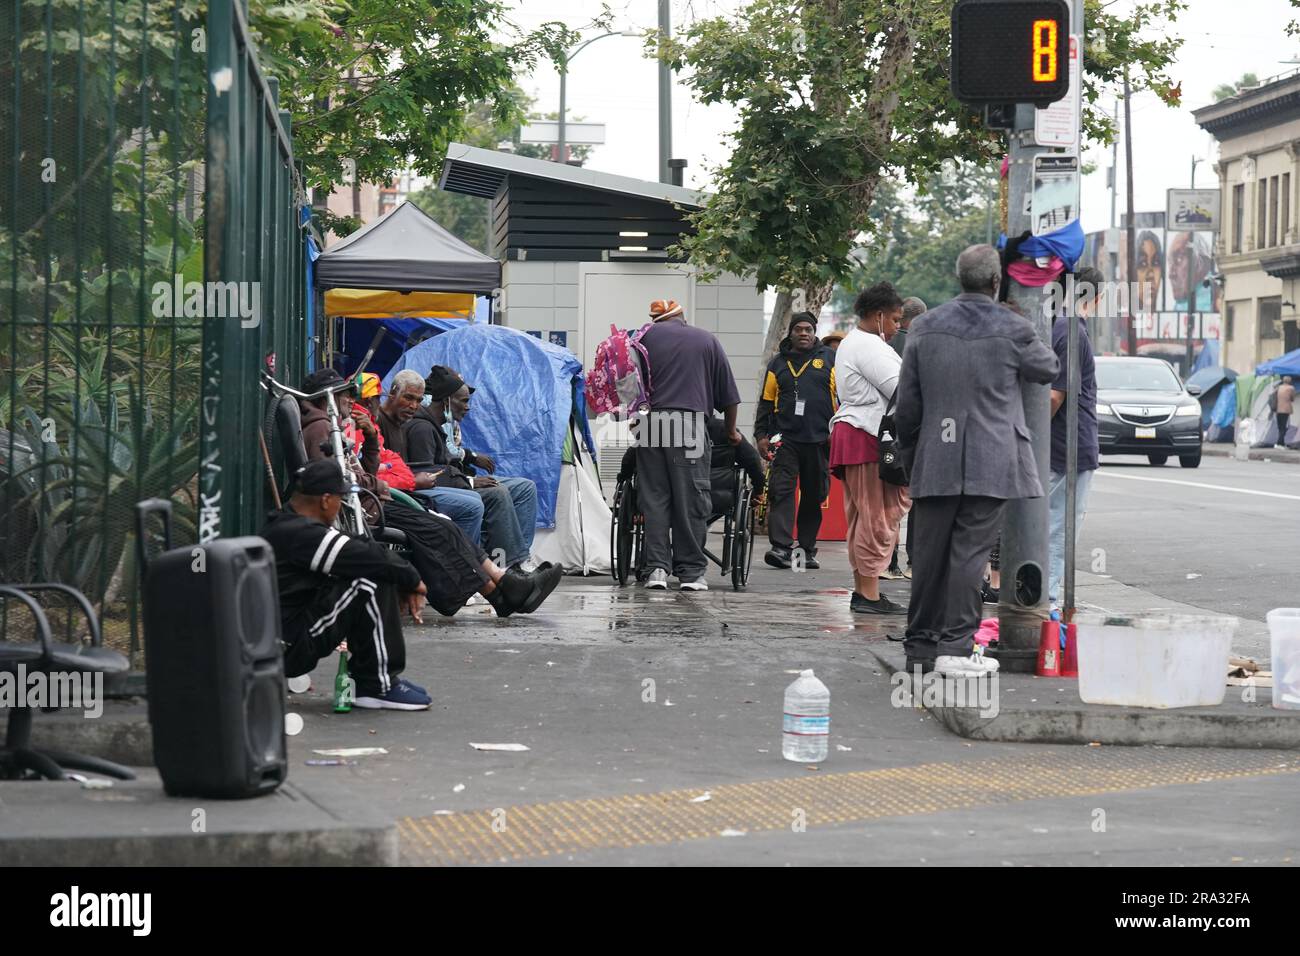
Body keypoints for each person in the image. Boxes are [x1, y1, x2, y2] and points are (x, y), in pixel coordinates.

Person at [894, 245, 1059, 677]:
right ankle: (955, 649)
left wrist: (914, 461)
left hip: (935, 457)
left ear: (959, 278)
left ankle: (920, 649)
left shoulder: (924, 327)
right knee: (969, 555)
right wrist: (1023, 321)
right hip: (992, 460)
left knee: (928, 556)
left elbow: (907, 407)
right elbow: (1047, 367)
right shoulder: (1012, 326)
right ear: (995, 281)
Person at [297, 368, 561, 618]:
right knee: (448, 522)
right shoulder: (323, 428)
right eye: (346, 395)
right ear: (328, 397)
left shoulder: (351, 426)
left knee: (448, 524)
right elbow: (337, 480)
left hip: (380, 498)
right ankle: (502, 591)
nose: (351, 401)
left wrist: (371, 444)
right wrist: (385, 484)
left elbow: (370, 469)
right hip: (369, 506)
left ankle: (506, 583)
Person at [261, 459, 432, 711]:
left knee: (369, 567)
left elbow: (361, 546)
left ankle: (370, 679)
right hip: (289, 647)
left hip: (285, 638)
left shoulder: (290, 524)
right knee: (369, 578)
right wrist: (415, 582)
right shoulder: (300, 533)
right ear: (325, 500)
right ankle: (376, 685)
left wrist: (403, 577)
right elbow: (371, 559)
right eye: (340, 500)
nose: (340, 507)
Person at [636, 298, 742, 591]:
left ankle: (657, 568)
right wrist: (731, 432)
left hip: (650, 424)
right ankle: (691, 572)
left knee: (655, 498)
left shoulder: (641, 339)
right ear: (681, 316)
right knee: (691, 497)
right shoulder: (706, 340)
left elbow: (628, 388)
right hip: (688, 425)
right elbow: (730, 397)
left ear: (656, 319)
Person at [404, 366, 539, 569]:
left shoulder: (439, 423)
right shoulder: (422, 428)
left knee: (525, 488)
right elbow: (428, 473)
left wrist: (467, 472)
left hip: (457, 478)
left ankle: (517, 558)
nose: (468, 408)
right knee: (496, 493)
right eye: (465, 401)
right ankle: (507, 565)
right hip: (440, 487)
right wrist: (469, 480)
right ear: (448, 401)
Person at [829, 282, 909, 614]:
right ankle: (868, 594)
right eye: (894, 319)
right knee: (878, 517)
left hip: (857, 435)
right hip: (867, 436)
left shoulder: (854, 342)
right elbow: (903, 389)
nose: (897, 327)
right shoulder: (870, 346)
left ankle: (866, 591)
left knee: (864, 516)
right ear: (878, 316)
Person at [755, 312, 836, 570]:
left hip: (820, 439)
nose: (804, 333)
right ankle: (780, 548)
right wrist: (761, 435)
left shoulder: (830, 360)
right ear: (790, 333)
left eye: (808, 329)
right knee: (782, 492)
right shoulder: (777, 364)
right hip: (785, 439)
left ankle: (806, 550)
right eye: (799, 329)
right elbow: (766, 403)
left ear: (815, 333)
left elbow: (844, 398)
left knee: (814, 495)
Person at [1048, 267, 1104, 610]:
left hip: (1062, 443)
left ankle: (1044, 596)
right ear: (1096, 298)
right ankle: (1048, 601)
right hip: (1068, 445)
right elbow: (1057, 395)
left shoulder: (1058, 326)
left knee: (1055, 523)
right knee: (1061, 527)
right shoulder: (1071, 331)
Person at [377, 369, 484, 546]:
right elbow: (380, 471)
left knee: (476, 499)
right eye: (408, 398)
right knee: (472, 506)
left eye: (418, 400)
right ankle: (463, 565)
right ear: (393, 392)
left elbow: (404, 466)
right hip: (398, 495)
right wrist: (414, 481)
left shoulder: (401, 421)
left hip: (409, 487)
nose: (413, 406)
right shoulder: (379, 422)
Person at [885, 296, 926, 578]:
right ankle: (914, 561)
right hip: (917, 431)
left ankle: (889, 562)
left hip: (888, 431)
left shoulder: (886, 345)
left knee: (889, 501)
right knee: (915, 500)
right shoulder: (920, 344)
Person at [1277, 375, 1295, 449]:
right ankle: (1279, 443)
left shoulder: (1279, 387)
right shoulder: (1291, 388)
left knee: (1280, 426)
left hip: (1278, 410)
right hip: (1286, 410)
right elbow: (1292, 398)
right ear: (1290, 381)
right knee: (1284, 427)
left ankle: (1281, 442)